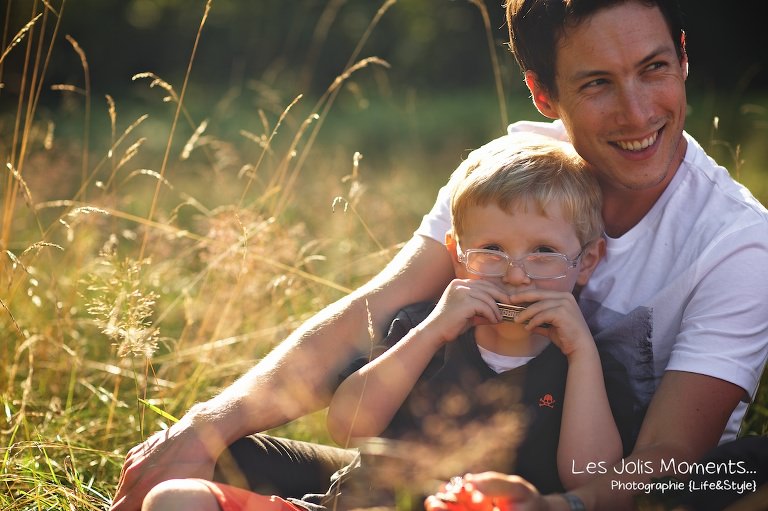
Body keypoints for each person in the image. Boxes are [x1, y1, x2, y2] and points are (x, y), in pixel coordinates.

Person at [110, 1, 768, 510]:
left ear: (682, 56)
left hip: (599, 487)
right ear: (544, 94)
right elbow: (373, 310)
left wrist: (549, 503)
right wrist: (206, 422)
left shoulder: (735, 242)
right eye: (597, 83)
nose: (636, 112)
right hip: (435, 467)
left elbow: (671, 454)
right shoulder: (509, 175)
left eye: (653, 68)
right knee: (221, 457)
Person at [140, 133, 624, 511]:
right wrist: (431, 330)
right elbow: (347, 426)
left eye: (544, 252)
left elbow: (590, 480)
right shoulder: (424, 329)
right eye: (491, 250)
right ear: (455, 253)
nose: (515, 274)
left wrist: (581, 354)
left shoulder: (585, 361)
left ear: (586, 260)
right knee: (174, 499)